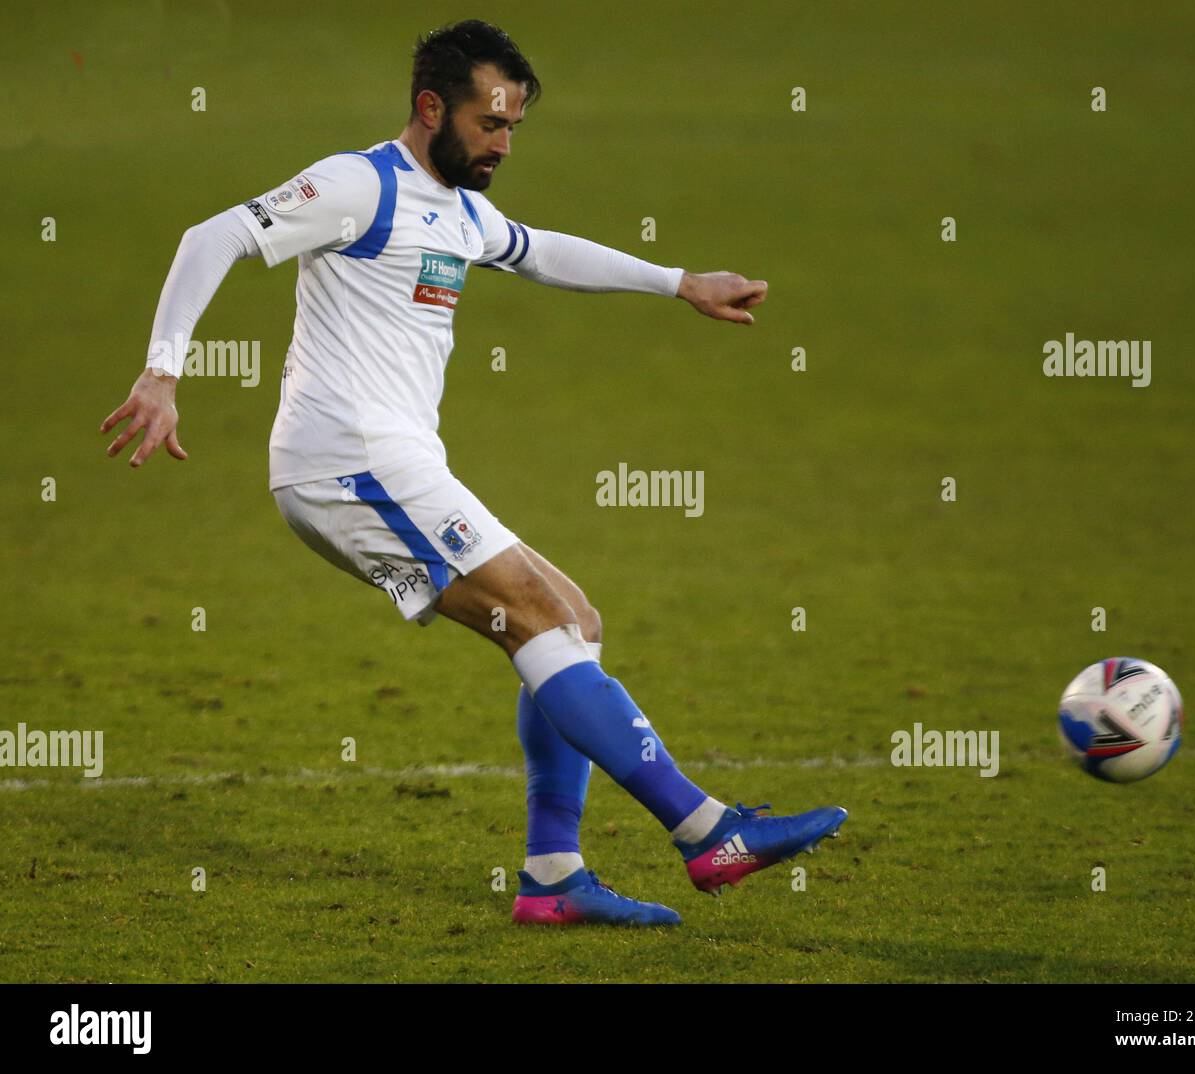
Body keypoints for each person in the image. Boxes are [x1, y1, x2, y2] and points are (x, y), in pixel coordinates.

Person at [101, 19, 846, 926]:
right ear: (430, 107)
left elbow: (544, 252)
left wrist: (679, 281)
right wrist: (163, 371)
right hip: (348, 460)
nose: (501, 144)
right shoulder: (358, 185)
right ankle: (706, 832)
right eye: (489, 124)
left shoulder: (459, 211)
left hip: (391, 460)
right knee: (537, 617)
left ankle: (553, 877)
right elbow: (208, 236)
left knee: (571, 620)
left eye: (513, 129)